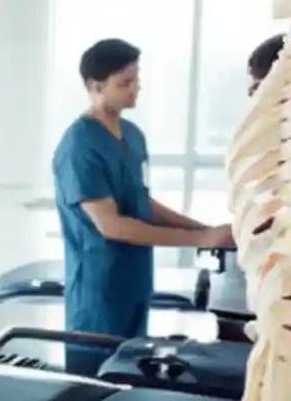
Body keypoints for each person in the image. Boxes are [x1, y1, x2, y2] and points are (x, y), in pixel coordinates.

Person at [53, 38, 232, 376]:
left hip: (134, 280)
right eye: (124, 83)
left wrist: (205, 229)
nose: (135, 89)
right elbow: (113, 225)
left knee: (130, 376)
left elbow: (140, 203)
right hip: (98, 289)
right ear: (95, 86)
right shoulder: (78, 145)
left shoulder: (132, 136)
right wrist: (201, 239)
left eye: (137, 80)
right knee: (96, 383)